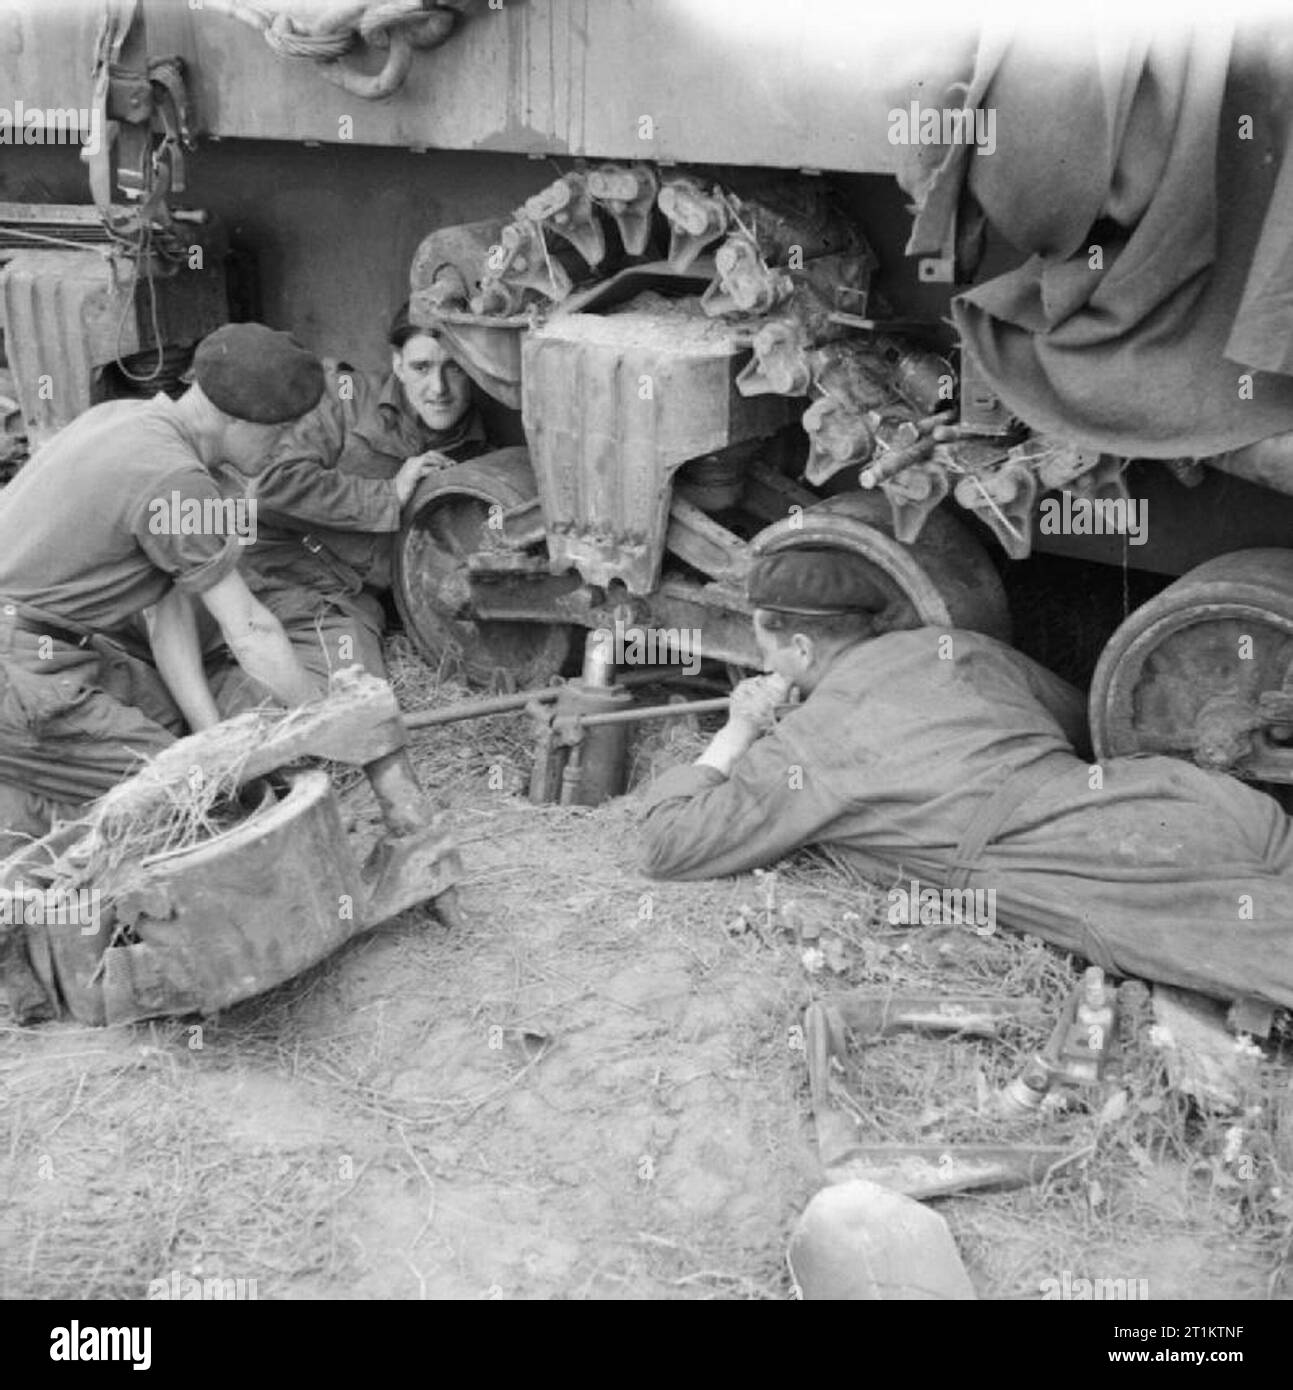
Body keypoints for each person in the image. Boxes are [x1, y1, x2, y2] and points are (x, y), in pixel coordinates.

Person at [639, 546, 1293, 1010]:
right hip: (1185, 804)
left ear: (802, 650)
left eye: (765, 646)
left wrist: (738, 732)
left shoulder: (809, 748)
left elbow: (668, 845)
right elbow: (1079, 719)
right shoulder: (950, 649)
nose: (762, 661)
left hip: (1118, 869)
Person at [0, 322, 326, 857]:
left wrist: (211, 742)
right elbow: (249, 629)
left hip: (40, 651)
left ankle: (43, 798)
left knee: (195, 761)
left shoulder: (126, 417)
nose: (288, 444)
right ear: (234, 419)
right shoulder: (178, 482)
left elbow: (167, 618)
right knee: (193, 806)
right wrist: (326, 722)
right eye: (281, 429)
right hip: (23, 677)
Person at [214, 303, 491, 714]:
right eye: (421, 367)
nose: (438, 389)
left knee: (356, 699)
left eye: (455, 368)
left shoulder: (480, 450)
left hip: (348, 597)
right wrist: (389, 493)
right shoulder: (345, 396)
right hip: (273, 565)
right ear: (396, 364)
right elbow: (272, 485)